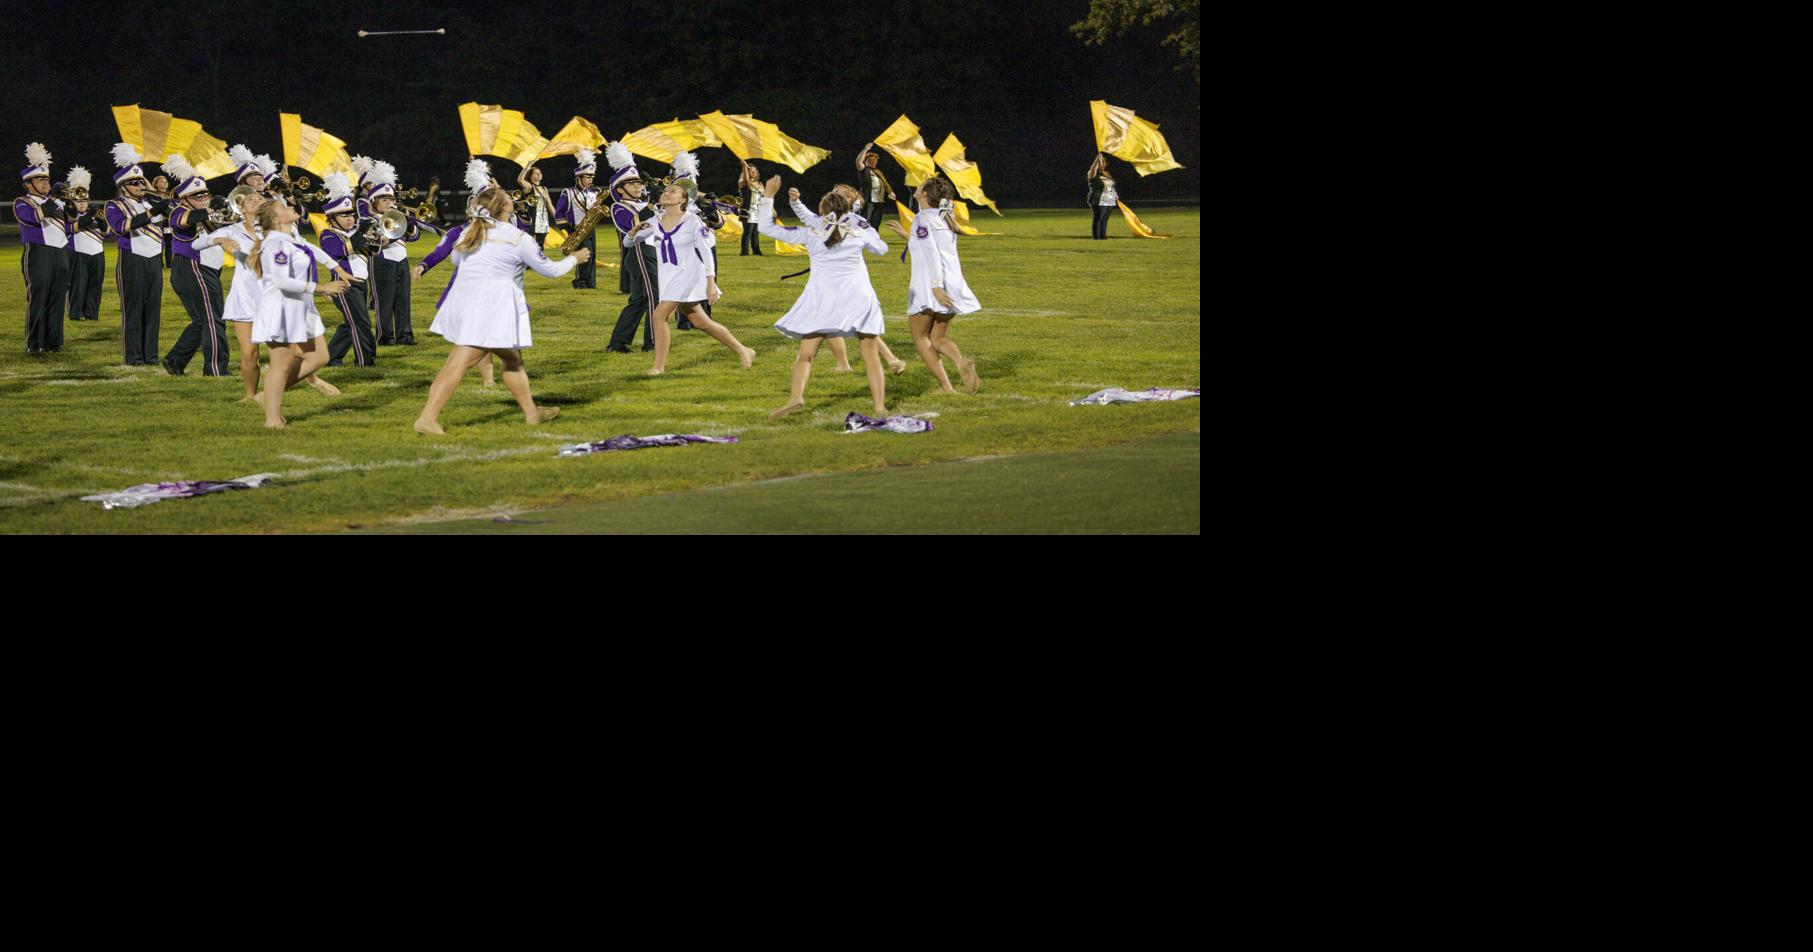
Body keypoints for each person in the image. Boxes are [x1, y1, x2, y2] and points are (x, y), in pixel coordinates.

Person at [413, 186, 588, 435]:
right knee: (457, 364)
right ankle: (427, 419)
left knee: (512, 359)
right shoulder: (517, 237)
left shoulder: (469, 233)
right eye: (508, 201)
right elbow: (551, 271)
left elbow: (455, 261)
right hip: (491, 308)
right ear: (505, 207)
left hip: (465, 303)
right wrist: (575, 259)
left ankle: (532, 413)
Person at [196, 189, 354, 401]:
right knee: (249, 354)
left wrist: (337, 268)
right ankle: (251, 396)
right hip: (244, 298)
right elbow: (195, 244)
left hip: (273, 297)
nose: (256, 200)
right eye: (249, 199)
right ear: (240, 208)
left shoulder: (278, 229)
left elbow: (308, 248)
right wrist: (219, 240)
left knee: (296, 352)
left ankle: (309, 380)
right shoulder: (232, 230)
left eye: (259, 198)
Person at [754, 176, 890, 419]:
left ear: (822, 210)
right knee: (870, 355)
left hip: (821, 298)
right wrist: (866, 232)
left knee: (806, 354)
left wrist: (768, 196)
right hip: (858, 295)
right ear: (847, 208)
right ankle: (879, 407)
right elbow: (882, 249)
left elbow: (766, 228)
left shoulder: (811, 231)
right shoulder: (857, 229)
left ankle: (796, 398)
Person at [624, 177, 755, 375]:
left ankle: (658, 367)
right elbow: (628, 244)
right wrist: (632, 232)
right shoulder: (654, 221)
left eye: (673, 192)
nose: (666, 193)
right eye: (666, 191)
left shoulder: (692, 221)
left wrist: (710, 282)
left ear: (683, 200)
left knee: (658, 316)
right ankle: (744, 350)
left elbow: (705, 251)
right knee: (701, 322)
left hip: (689, 275)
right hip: (669, 278)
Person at [248, 196, 350, 428]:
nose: (290, 207)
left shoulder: (291, 238)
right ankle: (273, 419)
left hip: (300, 307)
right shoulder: (276, 244)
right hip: (282, 309)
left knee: (319, 357)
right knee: (281, 364)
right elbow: (282, 281)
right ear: (275, 219)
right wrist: (322, 287)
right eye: (283, 207)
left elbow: (311, 253)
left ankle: (267, 396)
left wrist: (336, 269)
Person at [788, 184, 909, 376]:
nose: (832, 194)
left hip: (846, 281)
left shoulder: (855, 221)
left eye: (838, 194)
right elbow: (808, 217)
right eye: (833, 191)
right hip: (833, 280)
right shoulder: (826, 219)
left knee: (854, 322)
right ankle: (845, 363)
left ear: (849, 202)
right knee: (835, 320)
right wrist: (795, 202)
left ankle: (890, 360)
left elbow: (874, 240)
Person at [889, 176, 981, 394]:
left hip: (929, 286)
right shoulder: (945, 217)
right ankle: (960, 362)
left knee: (920, 338)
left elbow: (931, 253)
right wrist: (907, 236)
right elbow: (931, 246)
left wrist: (936, 287)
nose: (917, 187)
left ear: (924, 195)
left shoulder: (922, 218)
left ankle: (946, 387)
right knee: (937, 338)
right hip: (954, 284)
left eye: (920, 186)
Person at [158, 155, 231, 377]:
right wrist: (209, 210)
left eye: (205, 194)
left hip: (201, 270)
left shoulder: (204, 212)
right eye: (197, 195)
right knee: (213, 320)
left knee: (202, 320)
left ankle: (175, 360)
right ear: (185, 198)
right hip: (192, 268)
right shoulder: (179, 211)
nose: (204, 198)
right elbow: (184, 221)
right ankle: (216, 369)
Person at [104, 143, 167, 366]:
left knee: (153, 309)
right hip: (132, 260)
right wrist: (152, 213)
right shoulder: (114, 205)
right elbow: (121, 226)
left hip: (154, 261)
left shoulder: (152, 203)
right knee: (133, 309)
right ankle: (133, 357)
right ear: (123, 186)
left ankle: (150, 356)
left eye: (142, 181)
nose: (141, 185)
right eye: (135, 182)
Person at [316, 173, 377, 367]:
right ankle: (365, 362)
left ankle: (331, 357)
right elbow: (341, 250)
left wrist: (375, 235)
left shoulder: (352, 232)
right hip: (343, 285)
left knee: (350, 323)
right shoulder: (328, 235)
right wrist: (361, 232)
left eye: (352, 215)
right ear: (332, 218)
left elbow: (373, 250)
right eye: (345, 215)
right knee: (362, 324)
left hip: (361, 282)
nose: (350, 219)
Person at [15, 142, 70, 355]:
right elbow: (33, 217)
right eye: (40, 179)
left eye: (47, 178)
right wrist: (53, 199)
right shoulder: (22, 202)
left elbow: (71, 222)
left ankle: (53, 342)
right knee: (39, 297)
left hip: (61, 252)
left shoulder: (55, 203)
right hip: (38, 252)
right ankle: (34, 342)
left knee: (57, 297)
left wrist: (70, 203)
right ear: (28, 184)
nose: (45, 182)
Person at [604, 141, 657, 354]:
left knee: (639, 299)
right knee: (655, 296)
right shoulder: (619, 207)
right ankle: (652, 342)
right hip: (640, 253)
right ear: (620, 188)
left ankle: (617, 342)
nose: (638, 186)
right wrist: (652, 206)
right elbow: (633, 226)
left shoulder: (644, 204)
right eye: (632, 183)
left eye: (639, 183)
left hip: (652, 253)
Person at [363, 160, 421, 345]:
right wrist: (401, 229)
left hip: (401, 260)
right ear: (374, 202)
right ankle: (385, 337)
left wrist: (410, 226)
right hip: (381, 261)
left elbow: (414, 237)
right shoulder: (368, 220)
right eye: (385, 199)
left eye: (392, 199)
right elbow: (377, 241)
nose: (390, 203)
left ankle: (405, 335)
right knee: (384, 301)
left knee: (403, 299)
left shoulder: (396, 216)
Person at [552, 148, 601, 289]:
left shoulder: (594, 192)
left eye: (592, 177)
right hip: (576, 229)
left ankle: (590, 282)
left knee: (591, 255)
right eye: (587, 177)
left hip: (590, 228)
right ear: (579, 178)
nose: (590, 179)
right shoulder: (568, 192)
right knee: (584, 256)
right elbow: (559, 212)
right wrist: (568, 228)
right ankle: (580, 281)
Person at [63, 165, 105, 324]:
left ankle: (91, 314)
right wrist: (90, 215)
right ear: (72, 202)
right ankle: (75, 313)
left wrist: (101, 220)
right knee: (77, 285)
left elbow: (107, 231)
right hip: (77, 252)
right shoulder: (67, 215)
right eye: (78, 201)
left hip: (97, 252)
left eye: (85, 201)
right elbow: (73, 228)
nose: (82, 204)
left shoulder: (94, 214)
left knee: (95, 284)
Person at [854, 144, 897, 230]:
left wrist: (890, 192)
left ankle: (875, 239)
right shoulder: (864, 170)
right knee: (864, 222)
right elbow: (858, 162)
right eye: (870, 160)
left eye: (874, 160)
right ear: (865, 161)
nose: (873, 161)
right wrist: (865, 149)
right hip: (868, 201)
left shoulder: (879, 171)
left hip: (879, 201)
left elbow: (885, 183)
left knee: (876, 223)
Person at [516, 163, 554, 252]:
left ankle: (539, 263)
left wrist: (558, 217)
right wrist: (527, 166)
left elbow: (549, 204)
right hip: (531, 220)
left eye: (540, 173)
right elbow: (520, 180)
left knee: (540, 244)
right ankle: (526, 263)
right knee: (528, 243)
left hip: (542, 220)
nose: (539, 175)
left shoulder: (544, 189)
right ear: (530, 176)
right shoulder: (529, 187)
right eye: (536, 173)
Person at [1087, 153, 1117, 240]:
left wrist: (1115, 194)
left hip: (1110, 200)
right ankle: (1097, 237)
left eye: (1104, 162)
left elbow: (1111, 186)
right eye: (1101, 162)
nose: (1103, 164)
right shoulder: (1092, 174)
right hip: (1098, 199)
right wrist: (1097, 159)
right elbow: (1093, 168)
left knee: (1105, 219)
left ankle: (1103, 236)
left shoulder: (1106, 174)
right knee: (1098, 218)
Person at [738, 162, 764, 256]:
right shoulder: (743, 182)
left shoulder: (760, 184)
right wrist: (744, 167)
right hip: (748, 211)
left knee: (756, 232)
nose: (753, 172)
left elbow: (763, 198)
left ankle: (756, 251)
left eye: (754, 171)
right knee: (748, 231)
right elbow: (746, 180)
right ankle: (744, 252)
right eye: (751, 171)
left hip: (757, 211)